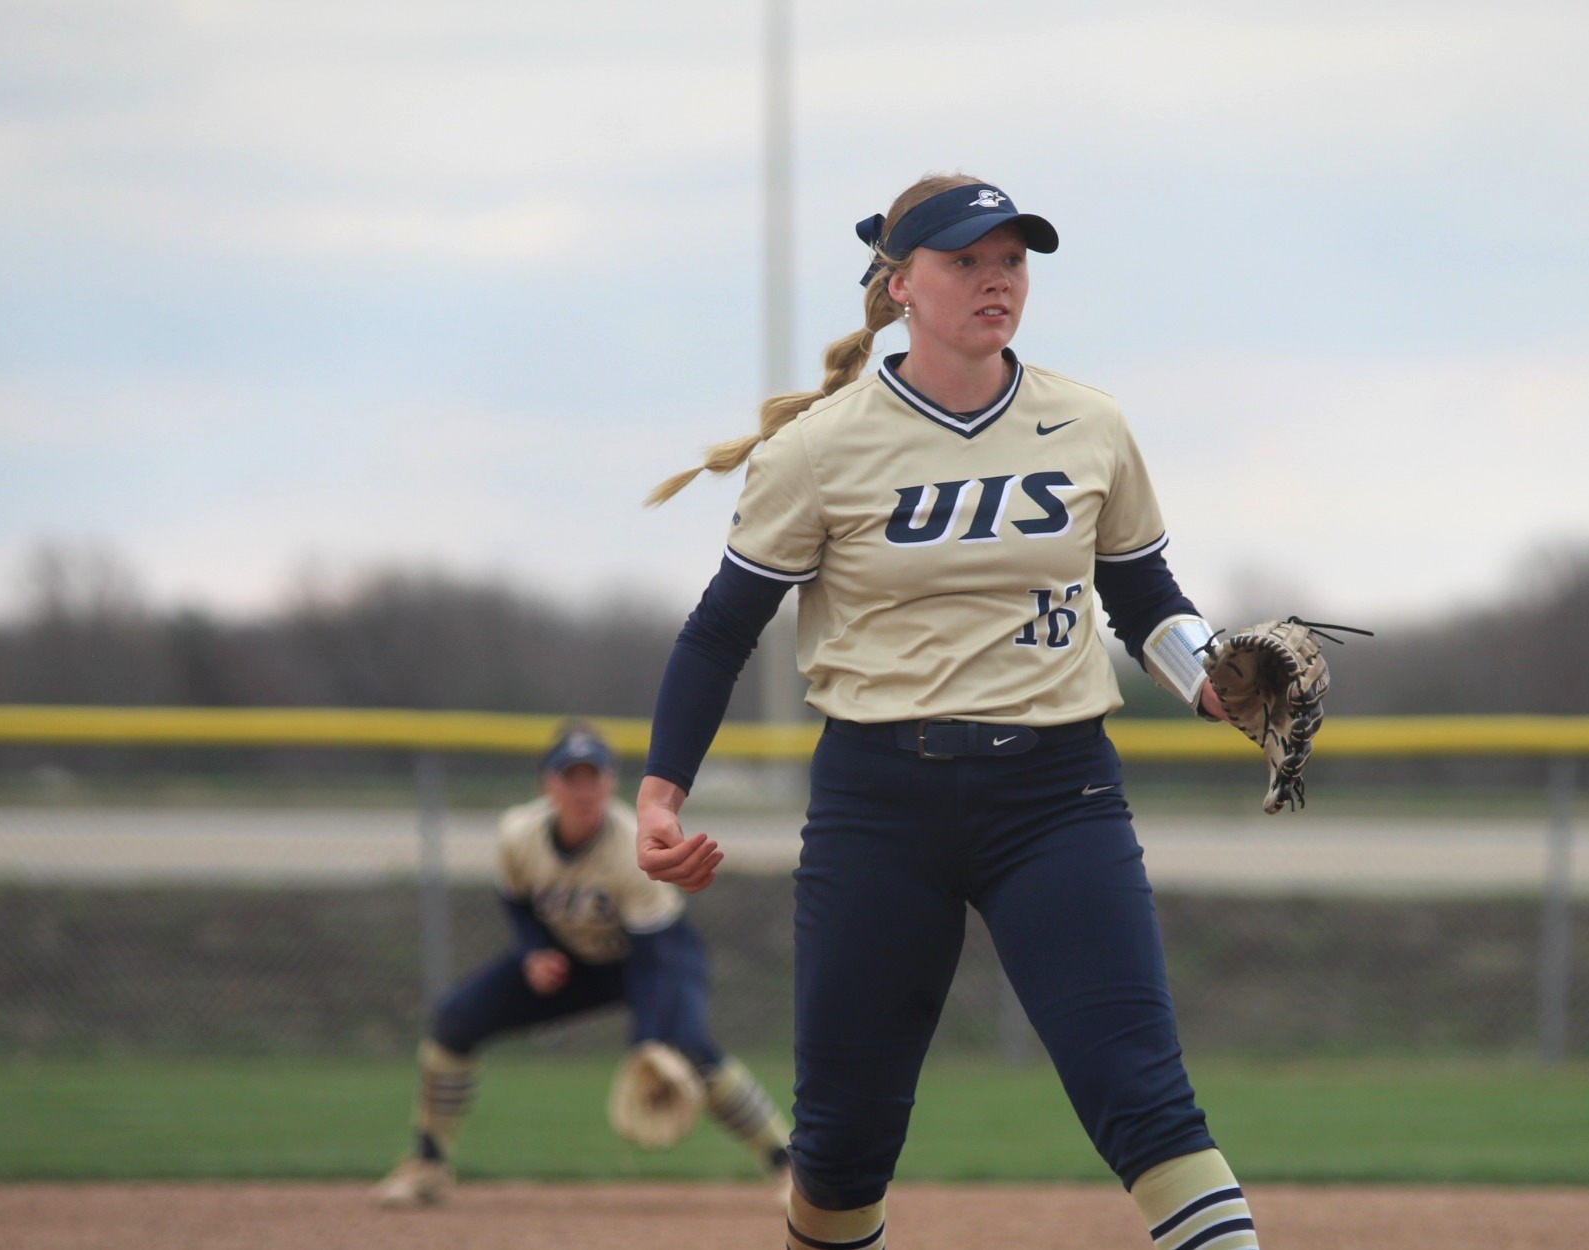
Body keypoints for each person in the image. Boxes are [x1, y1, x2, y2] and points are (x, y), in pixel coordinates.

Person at [636, 174, 1262, 1250]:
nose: (995, 280)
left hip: (1057, 797)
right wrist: (660, 794)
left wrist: (1212, 677)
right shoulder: (820, 447)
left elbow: (1145, 598)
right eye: (965, 260)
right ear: (899, 285)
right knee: (840, 1150)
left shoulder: (1089, 422)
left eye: (1011, 260)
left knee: (1146, 1098)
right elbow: (718, 631)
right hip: (878, 807)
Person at [375, 720, 792, 1209]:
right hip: (574, 959)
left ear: (610, 783)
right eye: (570, 777)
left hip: (658, 957)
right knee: (454, 1021)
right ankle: (427, 1164)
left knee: (691, 1052)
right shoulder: (519, 833)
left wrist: (648, 1043)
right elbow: (516, 898)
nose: (583, 789)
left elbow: (652, 959)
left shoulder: (630, 846)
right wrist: (533, 951)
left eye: (593, 776)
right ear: (547, 785)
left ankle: (792, 1168)